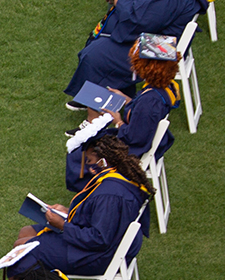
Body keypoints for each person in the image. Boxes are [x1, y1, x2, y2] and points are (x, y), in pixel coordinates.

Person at [64, 0, 214, 96]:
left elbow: (137, 20)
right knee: (102, 41)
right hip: (160, 35)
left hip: (162, 47)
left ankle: (94, 101)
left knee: (96, 54)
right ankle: (106, 92)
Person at [9, 131, 151, 276]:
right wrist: (67, 212)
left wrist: (63, 225)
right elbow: (99, 218)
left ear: (103, 162)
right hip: (97, 243)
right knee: (26, 232)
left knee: (22, 249)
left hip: (97, 256)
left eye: (89, 160)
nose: (88, 167)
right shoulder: (117, 179)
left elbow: (99, 239)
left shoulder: (109, 195)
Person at [66, 34, 178, 189]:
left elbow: (135, 138)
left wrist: (118, 121)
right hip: (143, 137)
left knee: (82, 152)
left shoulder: (149, 101)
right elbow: (143, 118)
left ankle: (91, 191)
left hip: (134, 148)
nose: (132, 66)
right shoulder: (164, 87)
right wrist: (126, 99)